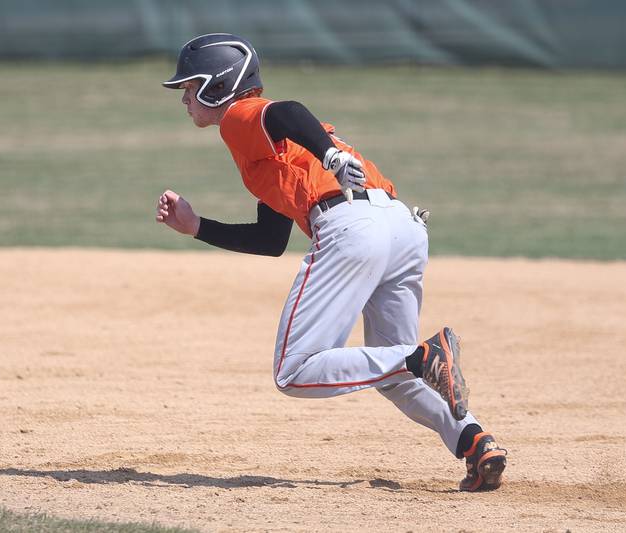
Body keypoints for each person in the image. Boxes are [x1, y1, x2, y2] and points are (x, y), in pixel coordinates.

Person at [156, 33, 507, 491]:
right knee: (394, 372)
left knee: (294, 371)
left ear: (218, 85)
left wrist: (331, 154)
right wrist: (198, 226)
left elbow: (286, 111)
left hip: (353, 229)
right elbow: (270, 238)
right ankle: (475, 441)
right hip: (400, 227)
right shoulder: (261, 149)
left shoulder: (239, 117)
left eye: (190, 85)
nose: (184, 96)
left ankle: (423, 356)